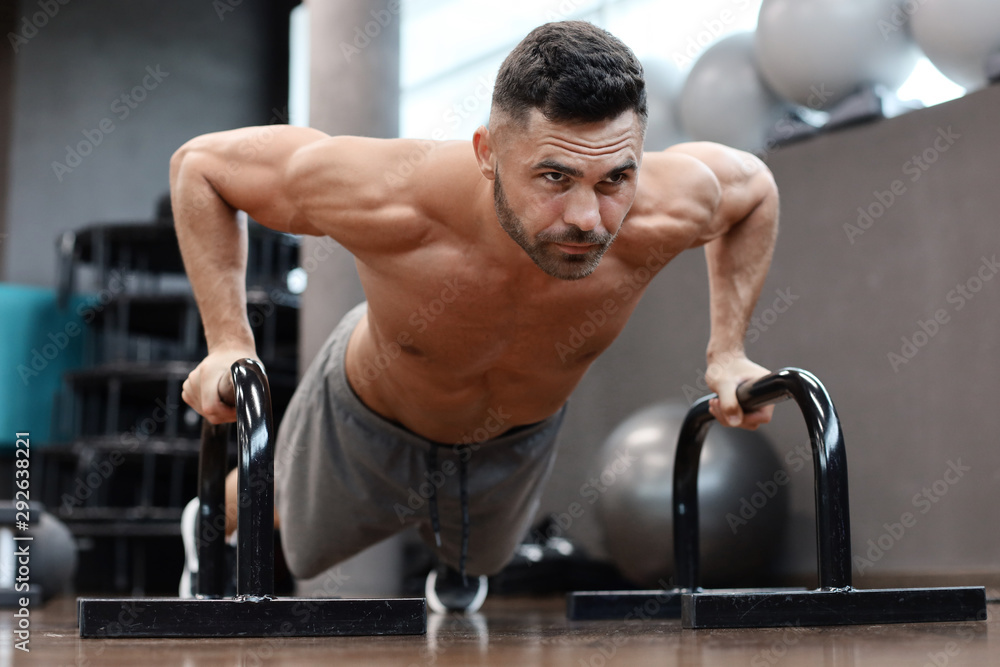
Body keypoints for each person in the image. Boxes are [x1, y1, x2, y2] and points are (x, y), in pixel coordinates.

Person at [170, 20, 778, 612]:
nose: (588, 218)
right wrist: (228, 340)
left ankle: (459, 564)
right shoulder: (391, 195)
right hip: (367, 418)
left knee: (481, 559)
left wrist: (728, 351)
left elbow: (756, 191)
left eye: (616, 178)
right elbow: (201, 166)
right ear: (488, 152)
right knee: (291, 528)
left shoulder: (670, 205)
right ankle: (212, 517)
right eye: (554, 176)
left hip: (515, 444)